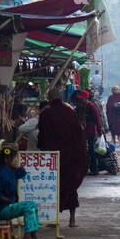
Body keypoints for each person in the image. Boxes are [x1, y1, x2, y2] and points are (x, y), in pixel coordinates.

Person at [37, 84, 87, 230]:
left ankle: (53, 219)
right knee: (71, 188)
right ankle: (72, 219)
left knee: (53, 188)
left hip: (53, 158)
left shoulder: (46, 114)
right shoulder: (69, 112)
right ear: (60, 98)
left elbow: (42, 136)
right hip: (71, 158)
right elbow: (78, 134)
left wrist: (43, 150)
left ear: (49, 99)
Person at [0, 144, 44, 239]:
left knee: (33, 205)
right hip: (2, 209)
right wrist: (9, 201)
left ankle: (33, 235)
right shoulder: (1, 174)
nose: (16, 160)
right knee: (29, 206)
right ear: (6, 160)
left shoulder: (12, 171)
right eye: (14, 158)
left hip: (9, 206)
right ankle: (27, 236)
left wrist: (17, 164)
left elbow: (23, 173)